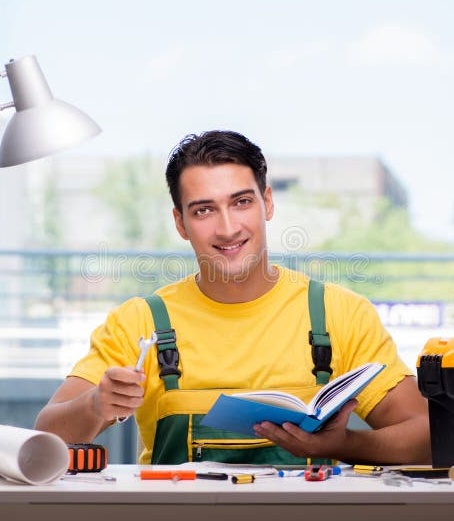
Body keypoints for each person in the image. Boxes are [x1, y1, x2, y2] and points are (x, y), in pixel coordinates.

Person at [34, 130, 430, 465]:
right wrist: (95, 405)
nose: (227, 228)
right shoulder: (141, 323)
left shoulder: (338, 315)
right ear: (180, 223)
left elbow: (426, 435)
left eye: (241, 202)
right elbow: (45, 436)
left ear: (267, 203)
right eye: (204, 210)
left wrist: (346, 444)